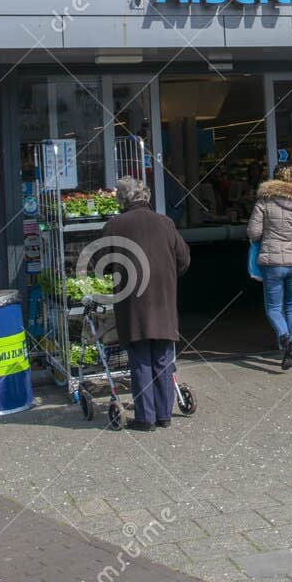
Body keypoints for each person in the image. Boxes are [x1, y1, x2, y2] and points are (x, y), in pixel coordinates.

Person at [96, 176, 190, 431]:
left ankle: (145, 418)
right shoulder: (166, 222)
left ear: (122, 199)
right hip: (163, 299)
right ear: (145, 197)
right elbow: (184, 259)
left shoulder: (116, 225)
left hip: (132, 302)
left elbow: (98, 263)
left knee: (140, 359)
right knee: (162, 356)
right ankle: (164, 415)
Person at [248, 163, 292, 370]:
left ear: (274, 179)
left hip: (273, 263)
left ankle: (286, 340)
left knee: (273, 308)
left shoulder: (265, 202)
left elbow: (253, 232)